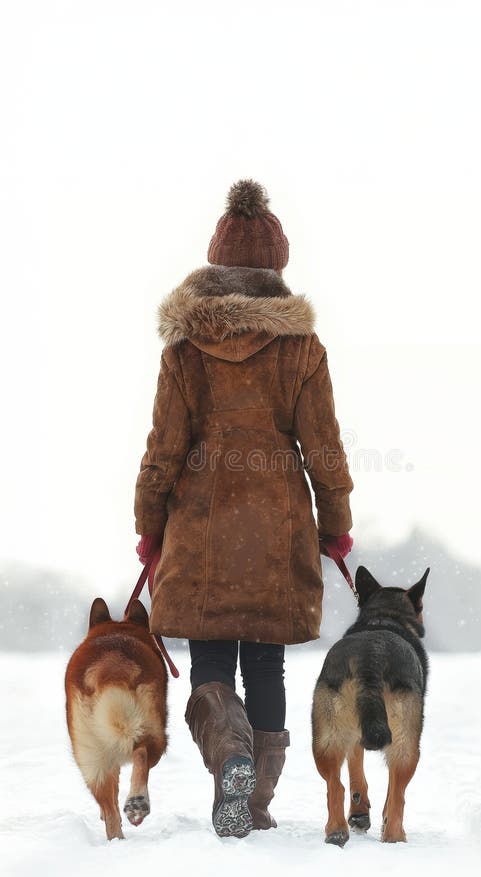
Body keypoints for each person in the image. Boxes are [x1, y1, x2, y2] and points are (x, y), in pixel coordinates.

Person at [134, 179, 354, 839]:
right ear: (276, 265)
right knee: (265, 662)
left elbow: (162, 449)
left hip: (200, 528)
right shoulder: (301, 349)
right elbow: (325, 448)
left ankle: (226, 756)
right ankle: (254, 800)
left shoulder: (183, 349)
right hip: (278, 526)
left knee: (209, 661)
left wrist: (149, 524)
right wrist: (335, 525)